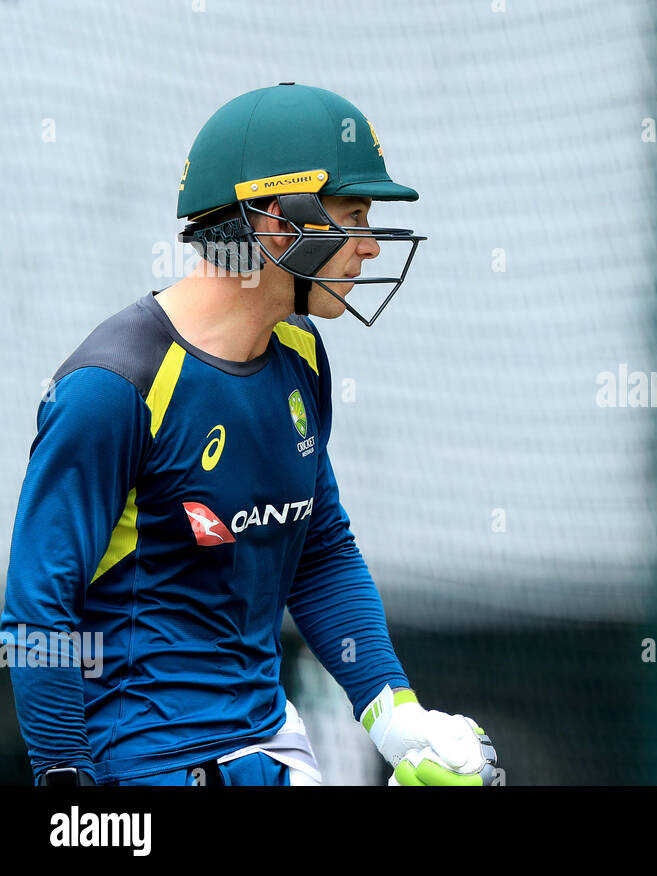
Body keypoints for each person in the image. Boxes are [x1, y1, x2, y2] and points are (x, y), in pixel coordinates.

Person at [2, 83, 496, 786]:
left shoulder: (299, 354)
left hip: (271, 747)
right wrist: (62, 779)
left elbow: (319, 548)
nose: (367, 249)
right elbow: (36, 615)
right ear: (272, 222)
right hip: (143, 771)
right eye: (352, 216)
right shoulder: (112, 389)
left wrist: (394, 716)